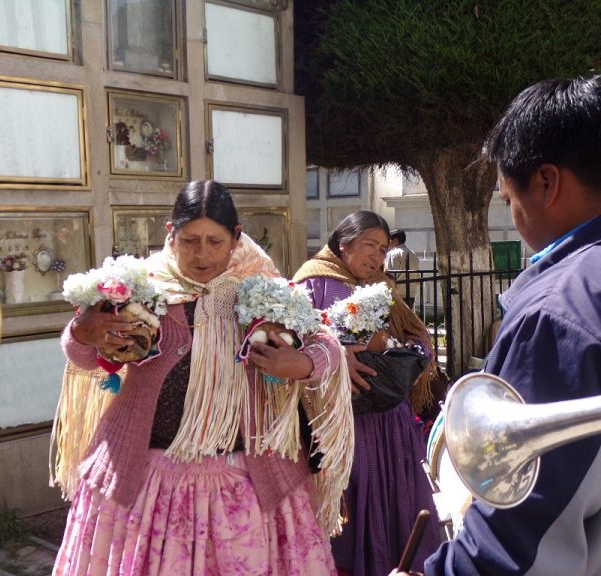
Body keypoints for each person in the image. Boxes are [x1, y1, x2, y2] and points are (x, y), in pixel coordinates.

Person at [50, 180, 354, 575]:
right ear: (170, 235)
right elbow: (86, 358)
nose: (203, 254)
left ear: (235, 238)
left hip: (246, 486)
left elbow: (327, 344)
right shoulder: (137, 290)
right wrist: (80, 332)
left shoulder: (264, 292)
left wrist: (300, 364)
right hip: (145, 485)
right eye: (191, 240)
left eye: (215, 241)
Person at [393, 76, 601, 575]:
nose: (511, 210)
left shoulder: (558, 313)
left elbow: (518, 540)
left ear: (547, 183)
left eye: (508, 197)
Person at [293, 211, 442, 576]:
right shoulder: (310, 284)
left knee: (400, 500)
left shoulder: (384, 288)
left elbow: (418, 334)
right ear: (343, 245)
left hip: (390, 418)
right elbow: (291, 342)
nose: (376, 257)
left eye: (381, 248)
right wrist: (334, 353)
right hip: (342, 421)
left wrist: (415, 358)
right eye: (368, 246)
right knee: (353, 500)